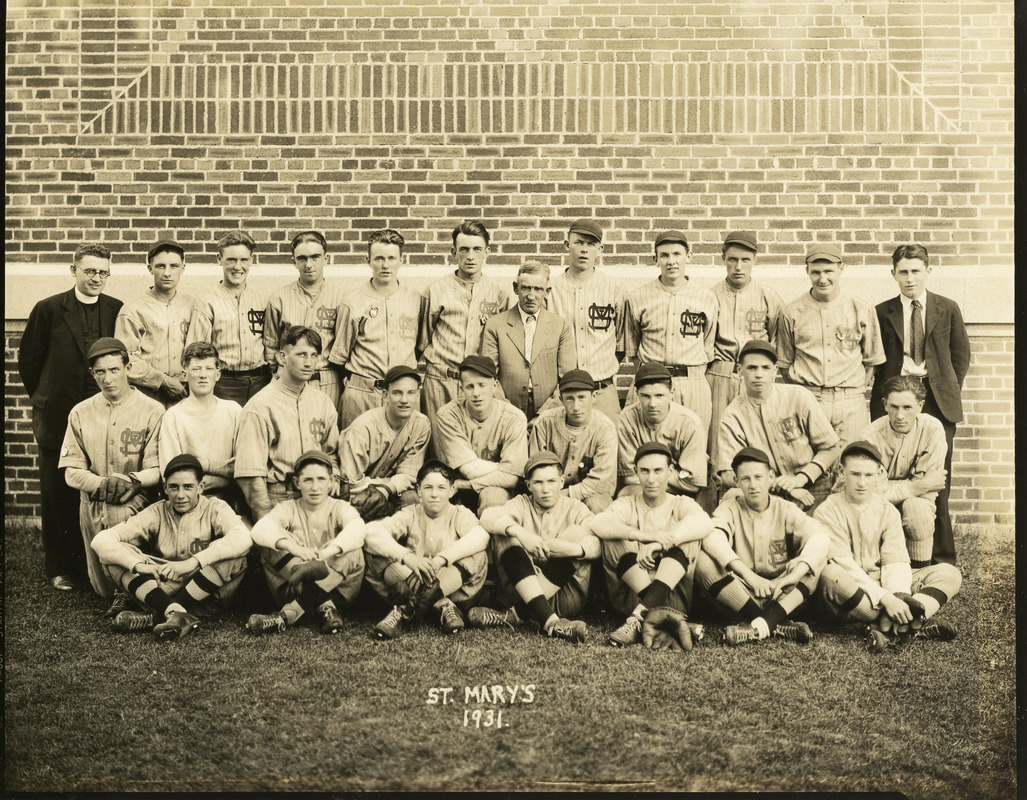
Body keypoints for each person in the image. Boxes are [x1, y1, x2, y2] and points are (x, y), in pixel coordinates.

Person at [18, 242, 123, 591]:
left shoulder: (116, 309)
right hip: (58, 416)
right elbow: (29, 363)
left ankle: (91, 564)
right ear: (73, 270)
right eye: (90, 271)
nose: (96, 278)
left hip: (100, 415)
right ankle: (59, 567)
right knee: (56, 489)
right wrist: (47, 397)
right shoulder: (48, 309)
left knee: (94, 485)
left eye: (103, 272)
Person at [870, 243, 970, 566]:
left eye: (916, 271)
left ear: (928, 271)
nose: (910, 278)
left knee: (938, 477)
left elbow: (960, 356)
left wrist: (944, 389)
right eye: (903, 272)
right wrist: (887, 401)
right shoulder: (881, 311)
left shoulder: (947, 307)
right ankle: (896, 551)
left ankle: (940, 556)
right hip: (897, 397)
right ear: (893, 274)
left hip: (935, 399)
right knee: (890, 472)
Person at [815, 441, 962, 653]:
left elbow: (896, 561)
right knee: (830, 575)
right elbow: (844, 565)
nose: (862, 482)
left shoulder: (887, 510)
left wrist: (899, 595)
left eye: (869, 475)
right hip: (851, 593)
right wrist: (886, 599)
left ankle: (885, 624)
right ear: (842, 471)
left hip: (882, 580)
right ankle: (910, 623)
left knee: (949, 573)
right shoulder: (827, 510)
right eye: (855, 474)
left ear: (880, 473)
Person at [91, 454, 251, 642]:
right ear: (165, 487)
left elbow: (243, 537)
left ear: (201, 486)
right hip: (162, 585)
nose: (180, 495)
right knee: (112, 558)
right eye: (174, 487)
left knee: (236, 557)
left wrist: (192, 563)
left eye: (188, 487)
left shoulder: (215, 507)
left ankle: (158, 615)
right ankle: (176, 614)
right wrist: (138, 565)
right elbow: (101, 540)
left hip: (204, 593)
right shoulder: (157, 511)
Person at [59, 338, 164, 601]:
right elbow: (71, 471)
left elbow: (157, 468)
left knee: (125, 584)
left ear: (127, 368)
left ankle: (138, 595)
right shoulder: (80, 412)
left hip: (134, 504)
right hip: (93, 504)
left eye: (115, 369)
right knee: (103, 589)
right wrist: (102, 484)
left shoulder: (153, 410)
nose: (108, 378)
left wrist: (130, 479)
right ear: (92, 374)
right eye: (100, 372)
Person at [695, 447, 828, 646]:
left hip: (781, 592)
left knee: (815, 561)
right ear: (737, 482)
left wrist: (793, 576)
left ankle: (758, 626)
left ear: (771, 477)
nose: (753, 485)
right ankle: (775, 623)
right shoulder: (730, 507)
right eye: (746, 479)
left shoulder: (785, 508)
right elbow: (711, 537)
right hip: (741, 593)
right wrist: (750, 577)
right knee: (702, 560)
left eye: (758, 477)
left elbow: (820, 537)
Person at [465, 451, 601, 644]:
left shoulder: (576, 507)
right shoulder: (521, 503)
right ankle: (551, 622)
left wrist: (571, 550)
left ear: (562, 482)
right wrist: (521, 533)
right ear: (528, 485)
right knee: (504, 532)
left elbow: (598, 545)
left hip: (564, 595)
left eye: (551, 481)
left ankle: (514, 615)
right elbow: (487, 517)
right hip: (520, 590)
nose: (546, 489)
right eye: (538, 483)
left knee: (578, 535)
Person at [590, 441, 714, 650]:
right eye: (645, 471)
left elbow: (704, 522)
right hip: (630, 596)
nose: (651, 479)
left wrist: (663, 542)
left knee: (690, 536)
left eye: (658, 471)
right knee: (613, 537)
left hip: (675, 598)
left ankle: (639, 617)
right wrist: (641, 536)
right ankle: (658, 615)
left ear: (671, 471)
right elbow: (598, 522)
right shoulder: (626, 503)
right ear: (636, 473)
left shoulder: (681, 503)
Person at [364, 460, 490, 639]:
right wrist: (407, 557)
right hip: (408, 582)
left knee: (477, 553)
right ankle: (439, 605)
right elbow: (371, 533)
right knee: (375, 551)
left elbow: (481, 536)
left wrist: (441, 560)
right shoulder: (410, 513)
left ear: (452, 490)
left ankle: (407, 608)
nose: (434, 494)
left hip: (450, 589)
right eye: (428, 487)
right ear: (418, 491)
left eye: (441, 488)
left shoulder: (459, 514)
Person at [775, 242, 885, 444]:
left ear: (841, 269)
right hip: (808, 399)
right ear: (807, 271)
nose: (822, 279)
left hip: (850, 401)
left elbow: (872, 360)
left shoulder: (861, 308)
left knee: (851, 465)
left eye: (829, 271)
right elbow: (784, 364)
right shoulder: (792, 312)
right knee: (810, 465)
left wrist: (852, 390)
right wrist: (804, 393)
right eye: (816, 272)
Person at [246, 450, 366, 636]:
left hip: (338, 593)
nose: (315, 487)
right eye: (308, 480)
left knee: (353, 548)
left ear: (331, 481)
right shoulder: (288, 508)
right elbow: (259, 530)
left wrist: (324, 555)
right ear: (297, 483)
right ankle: (323, 607)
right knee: (272, 545)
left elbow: (358, 528)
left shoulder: (340, 507)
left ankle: (287, 615)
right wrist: (294, 548)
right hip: (294, 588)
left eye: (321, 479)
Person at [716, 340, 841, 510]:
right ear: (740, 371)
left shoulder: (798, 396)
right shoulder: (732, 416)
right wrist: (779, 485)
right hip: (766, 495)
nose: (759, 374)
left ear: (775, 371)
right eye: (752, 368)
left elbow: (831, 448)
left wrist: (800, 479)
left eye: (766, 368)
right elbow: (728, 474)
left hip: (814, 487)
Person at [235, 325, 341, 521]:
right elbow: (250, 479)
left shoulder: (322, 401)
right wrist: (268, 525)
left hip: (318, 496)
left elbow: (331, 454)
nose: (309, 363)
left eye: (314, 355)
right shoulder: (259, 406)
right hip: (278, 498)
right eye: (301, 354)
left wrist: (333, 477)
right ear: (282, 357)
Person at [624, 230, 718, 437]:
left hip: (692, 382)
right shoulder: (638, 297)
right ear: (655, 259)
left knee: (695, 443)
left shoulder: (706, 298)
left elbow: (708, 345)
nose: (671, 261)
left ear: (688, 256)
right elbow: (632, 350)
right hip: (652, 381)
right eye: (664, 255)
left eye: (677, 254)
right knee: (646, 446)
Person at [417, 220, 511, 420]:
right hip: (441, 380)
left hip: (479, 383)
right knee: (439, 444)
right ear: (453, 252)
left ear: (487, 252)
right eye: (464, 249)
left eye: (477, 249)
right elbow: (422, 341)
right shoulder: (435, 291)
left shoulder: (499, 293)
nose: (470, 256)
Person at [329, 228, 421, 429]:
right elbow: (340, 356)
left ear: (401, 260)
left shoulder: (415, 299)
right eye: (379, 258)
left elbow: (419, 346)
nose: (385, 265)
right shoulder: (353, 301)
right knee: (355, 452)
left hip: (402, 395)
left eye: (391, 258)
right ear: (368, 260)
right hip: (363, 394)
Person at [707, 231, 783, 471]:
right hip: (720, 372)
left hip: (755, 374)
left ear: (755, 260)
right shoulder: (710, 296)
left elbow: (777, 339)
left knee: (757, 435)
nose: (738, 266)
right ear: (723, 259)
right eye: (732, 259)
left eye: (745, 260)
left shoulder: (768, 295)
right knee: (719, 441)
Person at [858, 376, 949, 570]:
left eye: (907, 407)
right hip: (872, 505)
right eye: (894, 407)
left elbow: (930, 492)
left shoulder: (933, 430)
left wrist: (906, 488)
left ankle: (920, 574)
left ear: (920, 406)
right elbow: (871, 493)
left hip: (912, 501)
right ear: (884, 405)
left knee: (918, 509)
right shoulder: (870, 437)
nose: (900, 415)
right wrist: (919, 485)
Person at [548, 218, 626, 423]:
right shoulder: (551, 289)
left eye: (591, 244)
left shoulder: (614, 288)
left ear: (600, 249)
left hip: (602, 390)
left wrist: (601, 370)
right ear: (567, 245)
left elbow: (622, 344)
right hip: (561, 392)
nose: (584, 249)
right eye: (578, 242)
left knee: (611, 448)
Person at [431, 355, 528, 514]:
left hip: (493, 487)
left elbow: (511, 480)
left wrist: (466, 484)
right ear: (461, 388)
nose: (476, 393)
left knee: (493, 498)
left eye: (482, 385)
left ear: (495, 385)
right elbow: (469, 470)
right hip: (454, 489)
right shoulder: (448, 415)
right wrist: (503, 468)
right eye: (470, 386)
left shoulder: (514, 418)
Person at [481, 259, 574, 422]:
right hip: (504, 412)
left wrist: (544, 415)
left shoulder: (561, 327)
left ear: (547, 291)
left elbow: (567, 380)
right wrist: (508, 414)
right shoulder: (495, 325)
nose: (531, 296)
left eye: (538, 289)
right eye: (526, 288)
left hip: (550, 413)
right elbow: (488, 377)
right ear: (515, 288)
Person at [186, 230, 271, 406]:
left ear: (251, 261)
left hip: (261, 381)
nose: (237, 267)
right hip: (224, 383)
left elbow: (271, 343)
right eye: (231, 260)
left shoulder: (262, 299)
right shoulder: (207, 302)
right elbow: (197, 351)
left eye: (243, 260)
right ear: (220, 260)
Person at [263, 230, 346, 407]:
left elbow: (343, 347)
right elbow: (270, 345)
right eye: (302, 258)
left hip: (326, 379)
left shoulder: (341, 299)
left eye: (315, 257)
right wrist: (279, 372)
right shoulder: (279, 298)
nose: (309, 264)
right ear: (294, 261)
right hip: (288, 380)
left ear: (326, 258)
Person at [338, 365, 431, 522]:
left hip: (391, 491)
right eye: (397, 393)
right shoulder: (361, 429)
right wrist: (387, 485)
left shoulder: (421, 424)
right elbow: (351, 486)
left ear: (418, 395)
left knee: (412, 499)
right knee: (365, 503)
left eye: (410, 393)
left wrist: (387, 489)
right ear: (385, 395)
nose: (404, 400)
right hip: (358, 497)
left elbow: (408, 475)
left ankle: (410, 544)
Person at [157, 341, 243, 510]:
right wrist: (221, 473)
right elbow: (171, 473)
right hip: (189, 502)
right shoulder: (173, 416)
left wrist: (202, 465)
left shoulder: (234, 411)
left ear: (217, 374)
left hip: (230, 499)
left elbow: (242, 466)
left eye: (209, 368)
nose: (203, 375)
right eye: (196, 369)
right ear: (184, 374)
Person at [114, 239, 196, 407]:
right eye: (160, 266)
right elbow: (125, 359)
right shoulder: (133, 310)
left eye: (174, 266)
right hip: (148, 394)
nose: (167, 273)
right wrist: (162, 380)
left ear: (183, 268)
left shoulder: (193, 306)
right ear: (150, 268)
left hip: (186, 393)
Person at [529, 369, 617, 513]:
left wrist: (564, 495)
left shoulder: (605, 428)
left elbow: (601, 483)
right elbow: (535, 470)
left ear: (594, 396)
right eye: (570, 399)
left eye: (582, 398)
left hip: (588, 495)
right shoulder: (545, 422)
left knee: (600, 504)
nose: (576, 407)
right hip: (548, 493)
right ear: (561, 399)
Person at [617, 362, 707, 498]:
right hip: (649, 489)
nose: (652, 404)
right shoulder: (627, 418)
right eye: (645, 396)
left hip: (682, 494)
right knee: (626, 493)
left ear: (671, 393)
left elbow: (692, 484)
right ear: (637, 394)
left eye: (659, 396)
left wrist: (650, 476)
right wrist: (672, 476)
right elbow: (629, 477)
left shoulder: (690, 423)